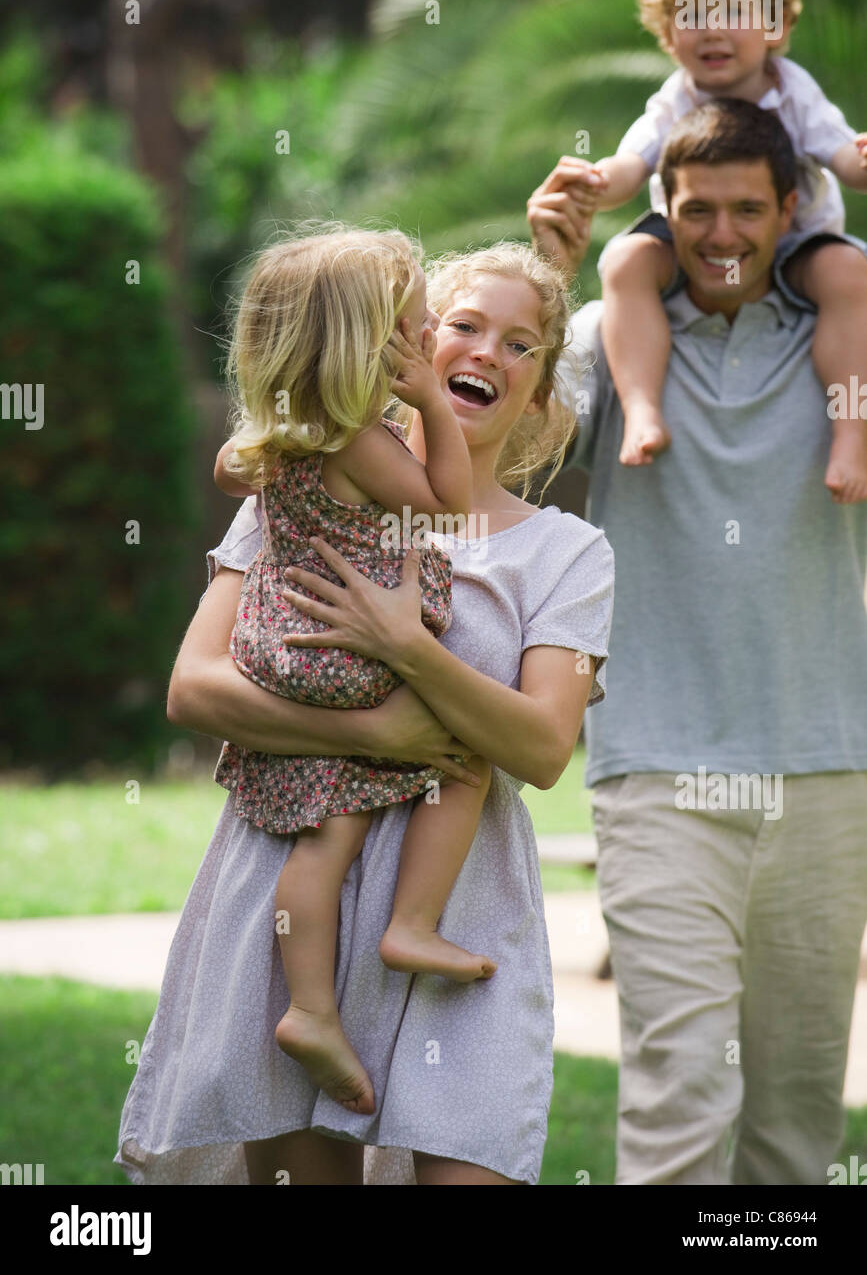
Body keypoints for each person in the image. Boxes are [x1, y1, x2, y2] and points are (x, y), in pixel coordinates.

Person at [115, 241, 615, 1186]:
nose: (482, 354)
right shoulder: (305, 482)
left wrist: (409, 648)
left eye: (520, 346)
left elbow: (544, 749)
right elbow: (196, 688)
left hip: (461, 917)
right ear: (410, 339)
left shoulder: (567, 553)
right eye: (463, 325)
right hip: (294, 890)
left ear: (543, 393)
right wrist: (374, 734)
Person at [529, 96, 867, 1185]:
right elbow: (499, 454)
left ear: (790, 211)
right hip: (661, 770)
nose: (721, 234)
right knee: (682, 1095)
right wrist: (547, 276)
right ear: (664, 215)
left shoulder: (845, 337)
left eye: (746, 210)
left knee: (798, 1118)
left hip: (830, 767)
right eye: (697, 211)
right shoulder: (606, 334)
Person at [210, 227, 497, 1116]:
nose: (427, 341)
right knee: (469, 748)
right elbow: (447, 505)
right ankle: (410, 923)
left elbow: (231, 475)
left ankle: (310, 1009)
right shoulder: (357, 440)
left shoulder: (272, 438)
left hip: (283, 646)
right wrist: (432, 407)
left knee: (324, 834)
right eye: (415, 329)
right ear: (369, 345)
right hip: (354, 654)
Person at [576, 0, 867, 500]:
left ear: (777, 26)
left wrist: (860, 163)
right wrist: (598, 183)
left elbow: (839, 154)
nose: (713, 32)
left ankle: (851, 434)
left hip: (794, 243)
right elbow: (632, 164)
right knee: (624, 262)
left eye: (735, 14)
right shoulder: (673, 100)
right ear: (666, 32)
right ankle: (640, 408)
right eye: (692, 15)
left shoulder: (793, 89)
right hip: (687, 239)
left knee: (849, 273)